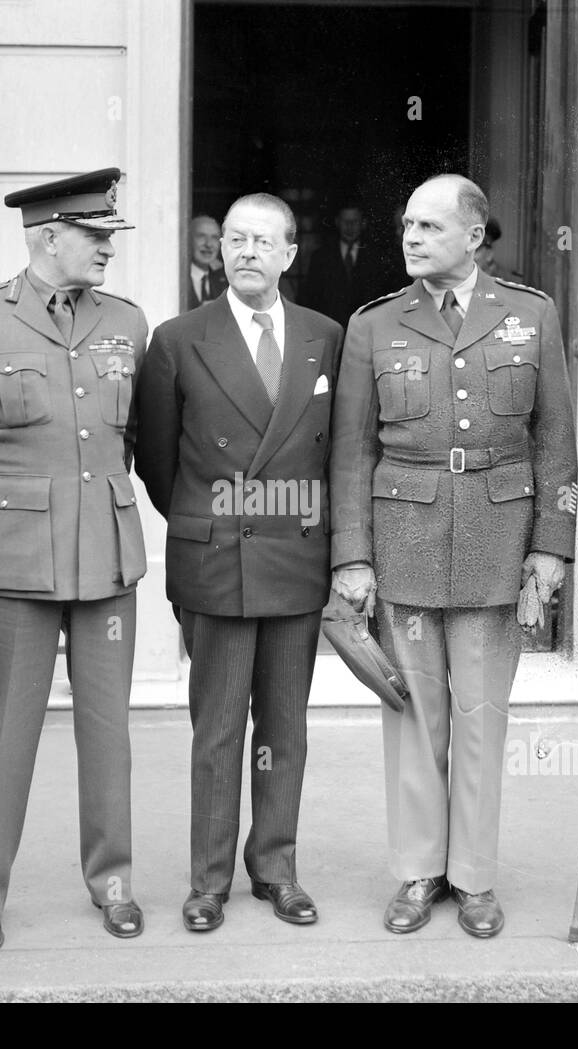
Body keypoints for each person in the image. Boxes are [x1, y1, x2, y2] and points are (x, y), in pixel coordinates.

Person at [329, 174, 577, 938]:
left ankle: (473, 877)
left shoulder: (530, 315)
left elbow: (554, 442)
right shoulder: (374, 324)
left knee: (479, 718)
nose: (410, 237)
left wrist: (552, 546)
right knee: (414, 718)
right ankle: (417, 870)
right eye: (406, 225)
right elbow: (350, 451)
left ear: (473, 235)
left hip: (497, 545)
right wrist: (352, 557)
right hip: (402, 541)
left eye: (429, 226)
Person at [0, 168, 148, 952]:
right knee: (2, 735)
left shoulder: (127, 322)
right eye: (96, 238)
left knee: (108, 732)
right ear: (49, 236)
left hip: (105, 557)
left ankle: (113, 881)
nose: (107, 251)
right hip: (12, 564)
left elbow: (129, 438)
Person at [135, 193, 343, 932]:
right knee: (218, 728)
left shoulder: (326, 337)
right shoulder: (178, 338)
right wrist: (210, 520)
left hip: (295, 560)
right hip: (217, 559)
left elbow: (338, 454)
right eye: (234, 240)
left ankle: (277, 868)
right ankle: (208, 880)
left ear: (290, 254)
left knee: (284, 727)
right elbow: (159, 462)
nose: (246, 252)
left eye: (263, 241)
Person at [301, 204, 386, 326]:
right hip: (330, 329)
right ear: (337, 222)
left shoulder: (376, 257)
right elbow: (311, 299)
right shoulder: (320, 256)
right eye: (345, 221)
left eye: (355, 221)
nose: (349, 226)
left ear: (363, 223)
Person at [185, 214, 228, 311]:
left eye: (214, 237)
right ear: (187, 239)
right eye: (201, 236)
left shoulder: (226, 281)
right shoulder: (177, 280)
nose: (208, 244)